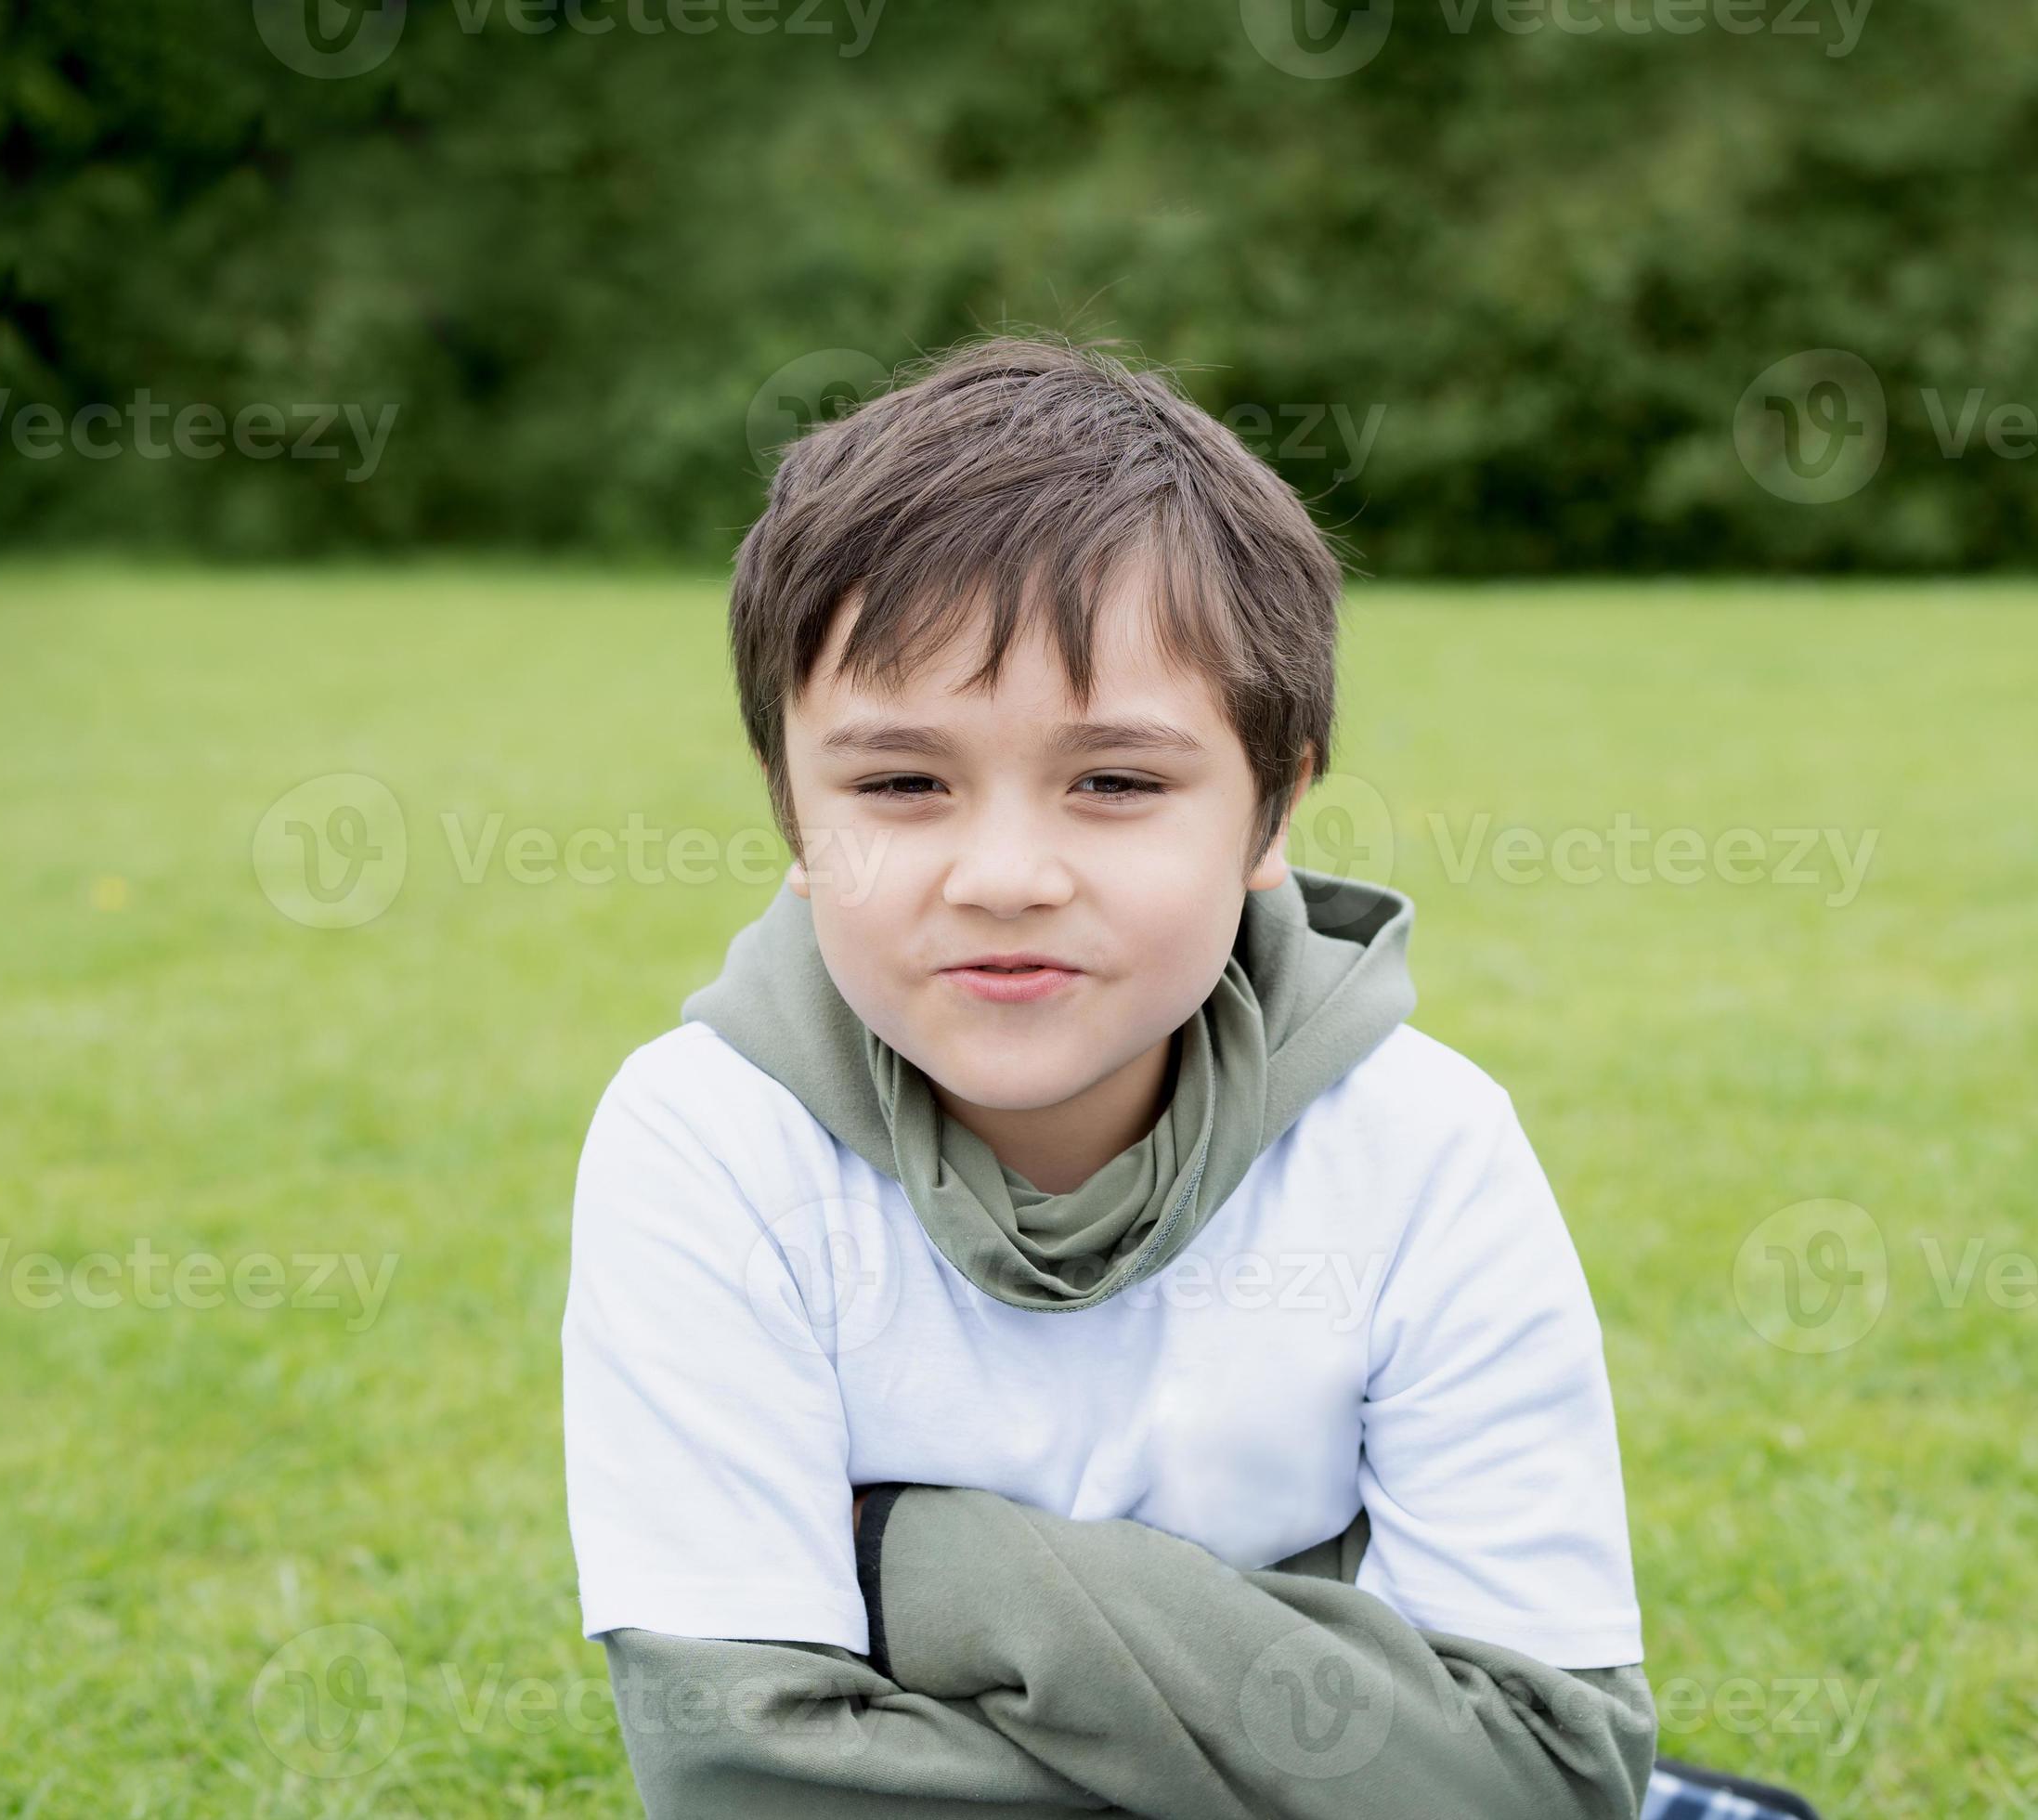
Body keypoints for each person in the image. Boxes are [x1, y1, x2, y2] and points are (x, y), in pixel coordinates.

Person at [559, 334, 1655, 1817]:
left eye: (1117, 783)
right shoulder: (704, 1144)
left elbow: (1540, 1773)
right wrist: (1322, 1708)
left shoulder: (1421, 1143)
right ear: (793, 815)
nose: (1005, 876)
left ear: (1273, 810)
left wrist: (924, 1568)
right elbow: (746, 1777)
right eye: (899, 784)